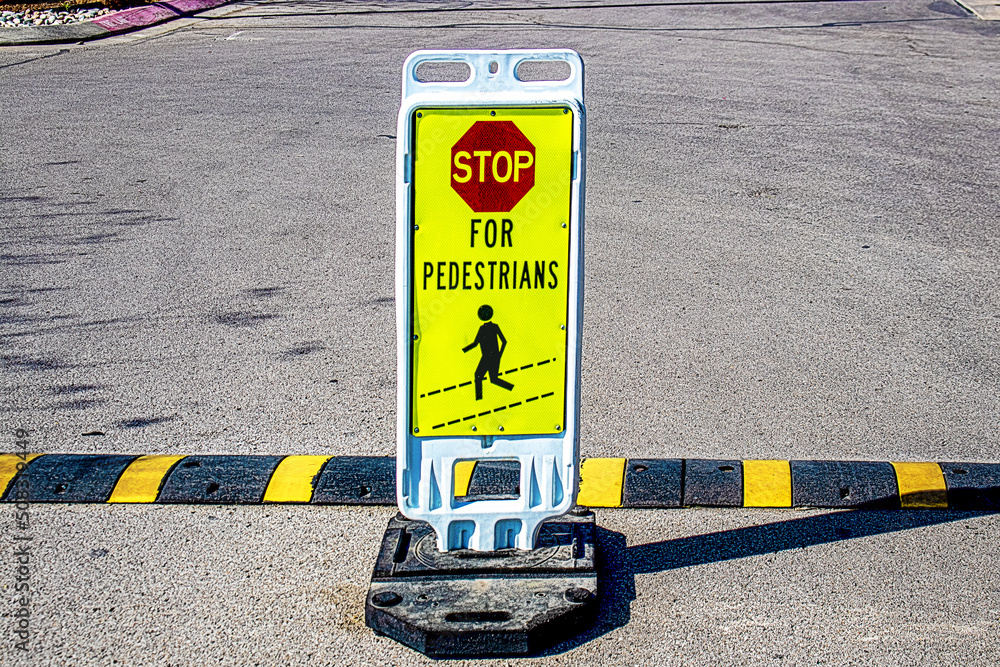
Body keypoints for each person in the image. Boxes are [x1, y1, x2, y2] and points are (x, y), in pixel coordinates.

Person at [462, 304, 514, 400]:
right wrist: (499, 355)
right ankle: (510, 388)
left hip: (488, 357)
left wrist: (464, 350)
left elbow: (475, 343)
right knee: (490, 378)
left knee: (482, 377)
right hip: (490, 357)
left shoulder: (485, 329)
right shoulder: (492, 327)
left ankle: (479, 398)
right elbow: (504, 341)